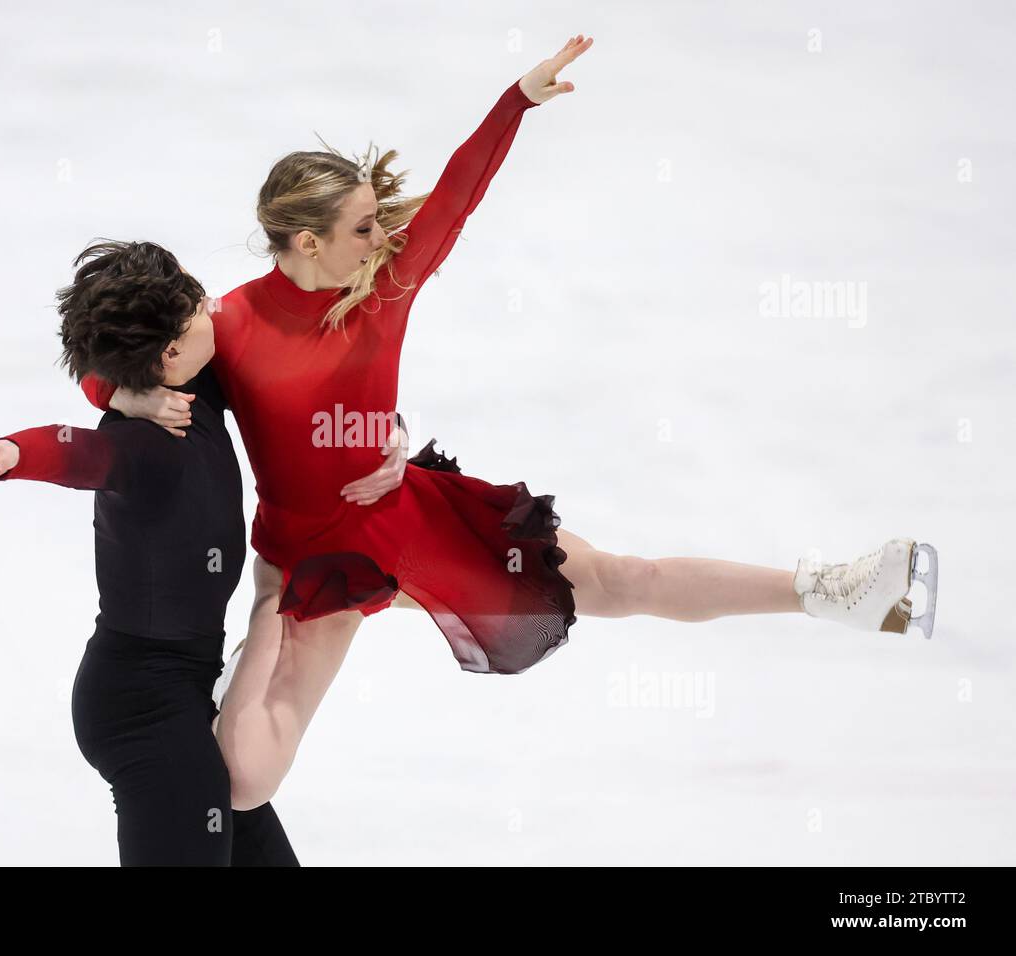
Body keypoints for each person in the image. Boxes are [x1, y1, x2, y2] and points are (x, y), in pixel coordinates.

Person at [80, 34, 940, 814]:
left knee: (617, 581)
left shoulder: (384, 286)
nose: (385, 236)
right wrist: (127, 400)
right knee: (244, 779)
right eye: (363, 226)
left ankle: (831, 590)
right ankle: (244, 661)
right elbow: (105, 359)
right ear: (305, 242)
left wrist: (516, 100)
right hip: (309, 559)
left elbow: (459, 192)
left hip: (407, 515)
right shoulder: (227, 323)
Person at [0, 240, 407, 865]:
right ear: (170, 353)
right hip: (143, 710)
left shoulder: (192, 384)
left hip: (179, 692)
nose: (213, 304)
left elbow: (311, 391)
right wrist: (11, 455)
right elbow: (83, 454)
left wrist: (384, 433)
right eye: (195, 309)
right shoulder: (145, 445)